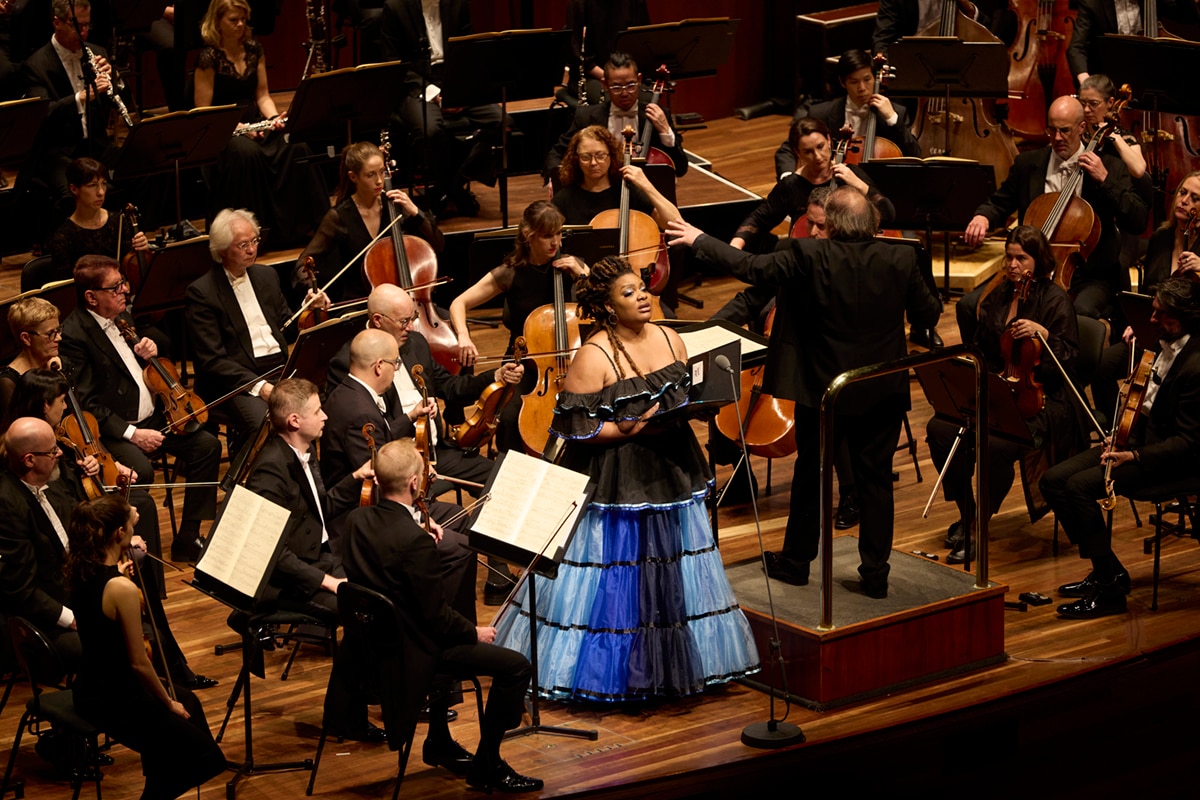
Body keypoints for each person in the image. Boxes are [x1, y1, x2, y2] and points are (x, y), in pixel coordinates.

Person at [493, 255, 760, 701]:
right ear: (609, 307)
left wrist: (698, 405)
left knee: (672, 567)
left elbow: (686, 392)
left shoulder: (672, 338)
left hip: (671, 465)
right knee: (618, 572)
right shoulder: (593, 355)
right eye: (629, 293)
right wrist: (625, 428)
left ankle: (672, 666)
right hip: (620, 476)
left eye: (643, 288)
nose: (643, 297)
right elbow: (574, 426)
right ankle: (616, 674)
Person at [667, 187, 942, 598]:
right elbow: (930, 314)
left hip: (823, 390)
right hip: (880, 388)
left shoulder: (809, 255)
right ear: (871, 224)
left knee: (812, 474)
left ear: (831, 225)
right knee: (876, 481)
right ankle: (875, 573)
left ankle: (797, 563)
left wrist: (698, 240)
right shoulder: (900, 257)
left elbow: (749, 267)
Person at [341, 439, 542, 792]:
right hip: (416, 650)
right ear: (414, 484)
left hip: (375, 645)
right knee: (516, 666)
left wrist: (420, 533)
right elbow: (438, 621)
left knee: (456, 565)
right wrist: (474, 631)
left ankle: (440, 739)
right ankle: (488, 764)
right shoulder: (413, 542)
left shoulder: (357, 520)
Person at [326, 284, 520, 604]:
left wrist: (493, 375)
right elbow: (370, 437)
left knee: (499, 474)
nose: (412, 326)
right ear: (377, 320)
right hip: (399, 467)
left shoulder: (414, 343)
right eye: (404, 321)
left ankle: (497, 574)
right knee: (455, 525)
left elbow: (451, 387)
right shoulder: (349, 360)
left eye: (413, 317)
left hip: (435, 451)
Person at [1040, 275, 1200, 618]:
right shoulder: (1163, 344)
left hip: (1170, 460)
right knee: (1052, 481)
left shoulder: (1196, 366)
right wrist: (1120, 433)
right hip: (1136, 444)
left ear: (1184, 316)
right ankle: (1108, 571)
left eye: (1160, 314)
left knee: (1079, 488)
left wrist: (1135, 454)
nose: (1151, 319)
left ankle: (1110, 594)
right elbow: (1149, 405)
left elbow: (1188, 443)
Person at [926, 226, 1086, 562]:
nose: (1013, 265)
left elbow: (1071, 359)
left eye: (1021, 258)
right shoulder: (998, 295)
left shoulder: (1055, 300)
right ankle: (967, 510)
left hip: (1041, 400)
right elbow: (983, 348)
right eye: (1009, 257)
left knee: (994, 446)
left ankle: (977, 525)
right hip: (999, 392)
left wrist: (1043, 335)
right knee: (939, 430)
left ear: (1037, 260)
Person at [242, 377, 383, 741]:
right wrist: (329, 582)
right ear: (293, 421)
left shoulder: (305, 451)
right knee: (359, 611)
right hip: (285, 580)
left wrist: (356, 478)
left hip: (318, 557)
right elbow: (272, 552)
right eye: (317, 411)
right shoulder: (271, 469)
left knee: (383, 589)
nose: (325, 416)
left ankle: (370, 692)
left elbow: (319, 512)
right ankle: (345, 714)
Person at [60, 255, 222, 563]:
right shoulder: (75, 336)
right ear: (91, 297)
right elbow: (86, 402)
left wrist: (149, 354)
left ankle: (188, 537)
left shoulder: (122, 316)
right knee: (142, 472)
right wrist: (133, 434)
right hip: (117, 428)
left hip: (154, 417)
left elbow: (135, 369)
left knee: (207, 445)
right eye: (115, 287)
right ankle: (132, 549)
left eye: (123, 283)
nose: (125, 291)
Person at [66, 495, 227, 799]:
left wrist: (121, 574)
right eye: (129, 524)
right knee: (208, 759)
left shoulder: (80, 568)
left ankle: (162, 775)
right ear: (118, 534)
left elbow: (103, 610)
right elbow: (139, 663)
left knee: (190, 702)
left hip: (91, 686)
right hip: (117, 698)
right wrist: (167, 703)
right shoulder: (121, 588)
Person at [320, 329, 479, 615]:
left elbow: (378, 440)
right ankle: (446, 627)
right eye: (395, 363)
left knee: (459, 519)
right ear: (379, 366)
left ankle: (425, 601)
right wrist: (417, 520)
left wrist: (409, 417)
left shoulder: (351, 392)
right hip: (362, 519)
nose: (397, 369)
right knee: (460, 550)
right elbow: (380, 483)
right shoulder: (359, 412)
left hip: (376, 506)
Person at [962, 95, 1149, 325]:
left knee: (1075, 317)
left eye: (1065, 130)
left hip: (1089, 276)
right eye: (1051, 130)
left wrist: (1105, 180)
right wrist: (982, 216)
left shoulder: (1109, 165)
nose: (1057, 137)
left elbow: (1137, 221)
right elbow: (998, 203)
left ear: (1082, 128)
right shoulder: (1028, 164)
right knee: (969, 306)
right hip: (1029, 269)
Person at [185, 208, 328, 457]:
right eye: (242, 245)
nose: (252, 249)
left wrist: (307, 309)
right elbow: (212, 361)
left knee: (318, 408)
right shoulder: (202, 292)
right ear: (222, 250)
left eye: (254, 241)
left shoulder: (266, 275)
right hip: (236, 382)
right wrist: (259, 386)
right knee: (266, 420)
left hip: (280, 370)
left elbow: (288, 328)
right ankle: (255, 485)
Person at [447, 200, 587, 453]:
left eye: (558, 234)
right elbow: (459, 302)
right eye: (547, 236)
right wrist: (464, 337)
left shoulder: (572, 266)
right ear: (528, 235)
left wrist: (582, 274)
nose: (555, 243)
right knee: (510, 418)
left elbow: (605, 300)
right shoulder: (510, 273)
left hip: (571, 360)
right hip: (523, 363)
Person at [193, 0, 329, 247]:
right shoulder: (208, 57)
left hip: (254, 123)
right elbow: (204, 112)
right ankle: (258, 234)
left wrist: (273, 119)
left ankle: (305, 227)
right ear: (217, 23)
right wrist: (239, 129)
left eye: (243, 19)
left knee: (296, 147)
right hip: (225, 130)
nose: (240, 24)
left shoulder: (255, 49)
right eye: (233, 20)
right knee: (247, 155)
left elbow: (263, 95)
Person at [379, 0, 505, 218]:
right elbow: (394, 63)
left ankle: (446, 190)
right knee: (431, 130)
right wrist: (435, 94)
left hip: (454, 78)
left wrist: (459, 89)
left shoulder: (457, 4)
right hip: (416, 84)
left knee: (500, 121)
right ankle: (455, 192)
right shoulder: (395, 7)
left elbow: (468, 51)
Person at [295, 141, 444, 305]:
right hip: (360, 304)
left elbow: (439, 243)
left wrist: (415, 211)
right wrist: (312, 290)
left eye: (381, 172)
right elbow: (303, 264)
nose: (380, 181)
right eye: (370, 175)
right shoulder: (340, 216)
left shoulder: (396, 206)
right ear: (353, 177)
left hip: (405, 301)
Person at [18, 0, 119, 237]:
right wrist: (81, 98)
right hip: (58, 150)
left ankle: (122, 238)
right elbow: (43, 114)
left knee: (142, 168)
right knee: (69, 192)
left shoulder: (97, 53)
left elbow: (117, 102)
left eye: (86, 26)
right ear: (57, 23)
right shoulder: (35, 66)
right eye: (77, 26)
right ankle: (66, 249)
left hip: (96, 143)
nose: (83, 33)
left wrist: (114, 79)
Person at [731, 117, 893, 253]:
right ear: (797, 152)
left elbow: (888, 214)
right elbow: (758, 219)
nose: (817, 156)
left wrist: (859, 184)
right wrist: (735, 246)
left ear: (829, 140)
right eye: (808, 151)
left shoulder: (850, 174)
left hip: (849, 255)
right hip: (808, 258)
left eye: (820, 146)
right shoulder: (791, 185)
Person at [544, 50, 687, 188]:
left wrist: (665, 131)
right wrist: (554, 179)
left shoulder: (657, 116)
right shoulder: (586, 117)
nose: (625, 93)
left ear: (639, 80)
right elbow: (556, 154)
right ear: (605, 85)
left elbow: (680, 168)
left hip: (645, 192)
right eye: (617, 87)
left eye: (631, 86)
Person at [773, 49, 920, 180]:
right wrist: (788, 178)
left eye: (867, 79)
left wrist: (892, 118)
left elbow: (915, 154)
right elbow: (787, 149)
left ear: (875, 78)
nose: (862, 88)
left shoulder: (896, 112)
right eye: (854, 82)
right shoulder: (821, 113)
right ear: (842, 83)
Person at [551, 124, 680, 228]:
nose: (593, 163)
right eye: (585, 157)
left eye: (600, 155)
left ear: (611, 156)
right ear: (576, 159)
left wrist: (647, 186)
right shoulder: (564, 199)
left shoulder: (628, 191)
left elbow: (675, 224)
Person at [49, 157, 149, 282]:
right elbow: (65, 291)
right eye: (92, 185)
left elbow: (130, 269)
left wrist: (141, 250)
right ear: (74, 189)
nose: (101, 192)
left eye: (104, 184)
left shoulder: (119, 221)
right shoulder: (63, 238)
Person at [1068, 0, 1200, 85]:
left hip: (1149, 77)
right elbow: (1076, 47)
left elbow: (1190, 16)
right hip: (1110, 80)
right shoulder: (1093, 3)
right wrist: (1086, 81)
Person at [1, 298, 64, 430]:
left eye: (58, 330)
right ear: (26, 338)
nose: (59, 338)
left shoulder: (57, 364)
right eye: (51, 334)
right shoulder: (8, 383)